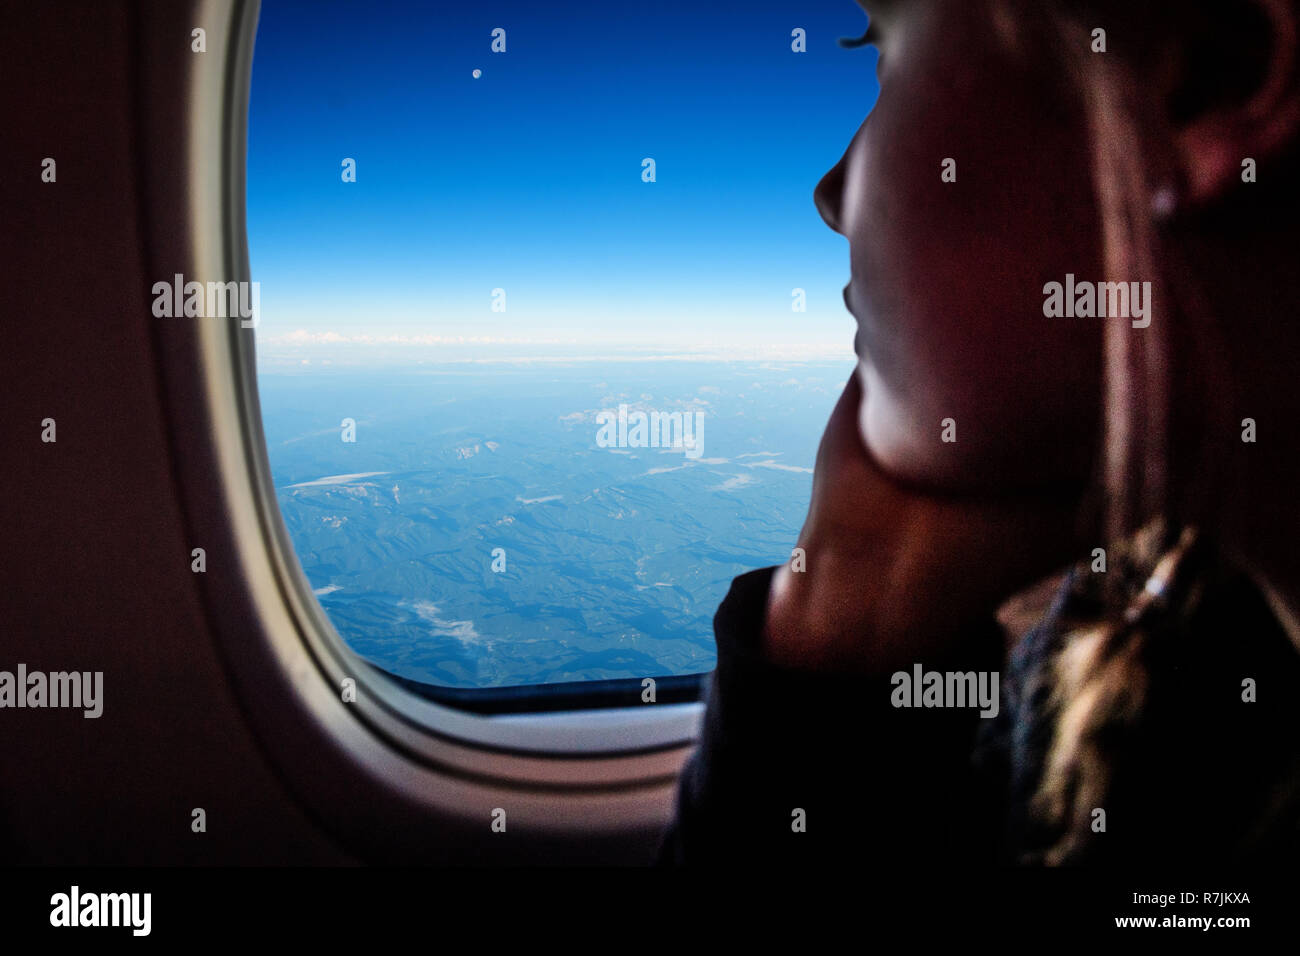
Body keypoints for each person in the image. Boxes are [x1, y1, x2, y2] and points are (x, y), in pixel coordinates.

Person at [659, 0, 1300, 866]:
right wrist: (847, 611)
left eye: (889, 54)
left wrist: (820, 686)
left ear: (1214, 79)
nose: (831, 196)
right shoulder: (1151, 669)